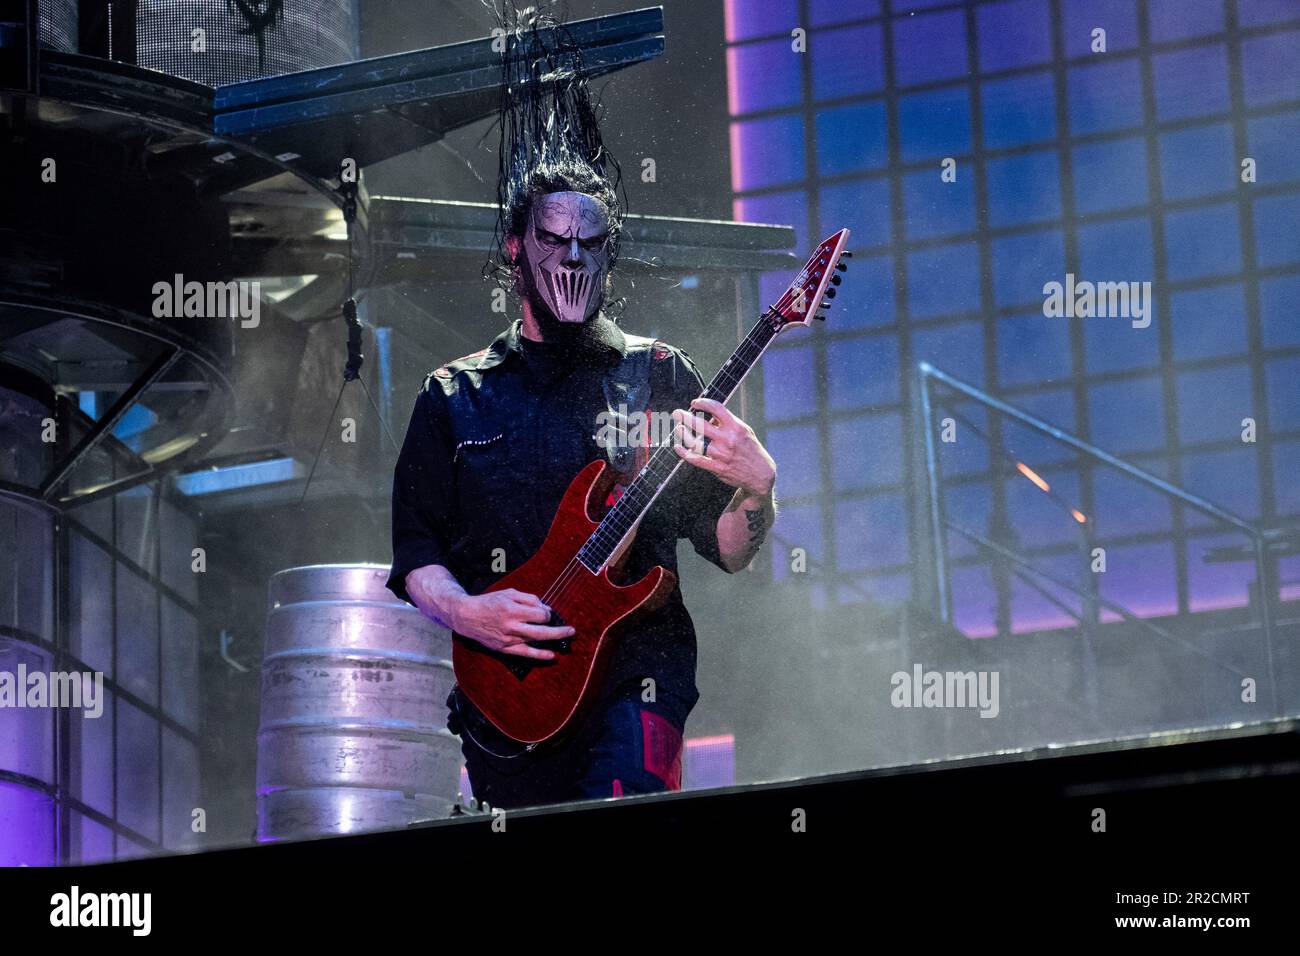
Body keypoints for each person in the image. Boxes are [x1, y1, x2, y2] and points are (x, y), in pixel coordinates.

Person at [385, 10, 776, 808]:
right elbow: (414, 554)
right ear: (515, 247)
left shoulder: (659, 374)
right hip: (509, 698)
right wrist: (469, 613)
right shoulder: (452, 396)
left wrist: (759, 489)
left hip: (640, 678)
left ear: (609, 251)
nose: (572, 259)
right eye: (554, 240)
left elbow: (729, 550)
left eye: (589, 245)